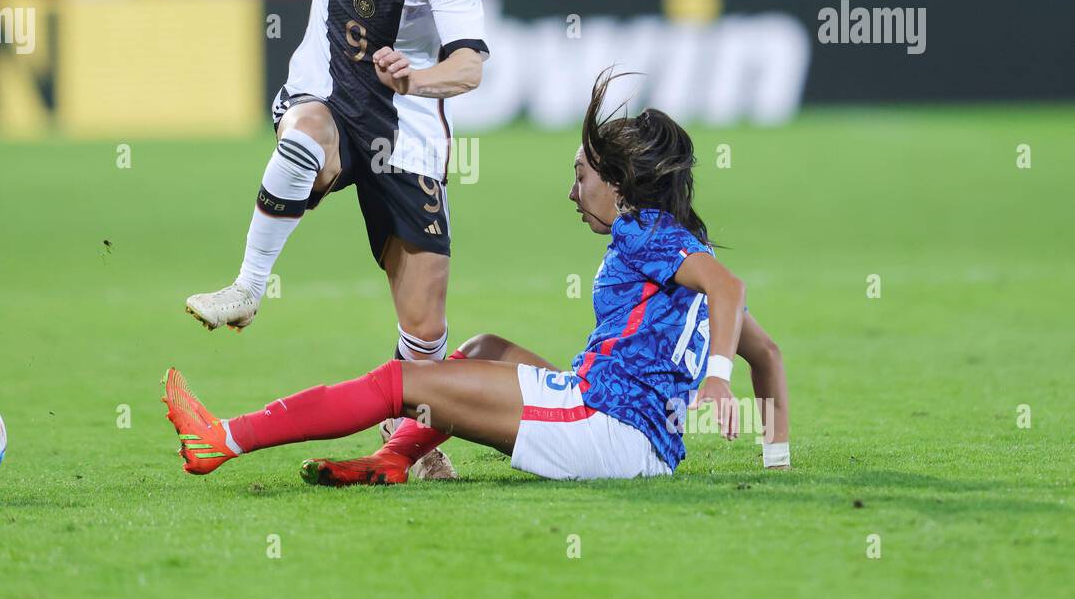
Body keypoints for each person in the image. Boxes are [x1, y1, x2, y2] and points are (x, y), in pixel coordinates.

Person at [161, 70, 792, 484]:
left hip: (605, 429)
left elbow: (730, 289)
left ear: (620, 184)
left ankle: (223, 439)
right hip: (631, 434)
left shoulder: (645, 232)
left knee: (402, 381)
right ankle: (392, 460)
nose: (572, 192)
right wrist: (778, 462)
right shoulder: (684, 251)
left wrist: (714, 383)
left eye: (582, 175)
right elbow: (768, 353)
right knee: (482, 349)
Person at [166, 0, 487, 480]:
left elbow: (470, 65)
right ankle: (248, 286)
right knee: (304, 133)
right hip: (332, 101)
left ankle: (415, 440)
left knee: (426, 323)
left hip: (404, 132)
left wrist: (418, 75)